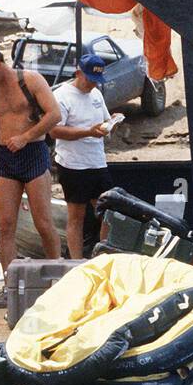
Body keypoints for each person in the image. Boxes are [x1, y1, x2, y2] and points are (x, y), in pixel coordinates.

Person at [0, 43, 61, 307]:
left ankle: (56, 280)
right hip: (7, 158)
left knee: (43, 222)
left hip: (33, 153)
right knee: (5, 225)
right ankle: (10, 287)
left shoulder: (30, 80)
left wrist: (26, 137)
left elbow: (55, 114)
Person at [50, 52, 113, 259]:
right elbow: (55, 131)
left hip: (97, 160)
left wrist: (111, 124)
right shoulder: (62, 96)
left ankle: (103, 253)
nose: (92, 85)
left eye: (96, 81)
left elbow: (104, 118)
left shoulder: (96, 94)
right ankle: (76, 260)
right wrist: (87, 132)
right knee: (76, 215)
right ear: (78, 73)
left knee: (107, 212)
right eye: (89, 80)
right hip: (73, 164)